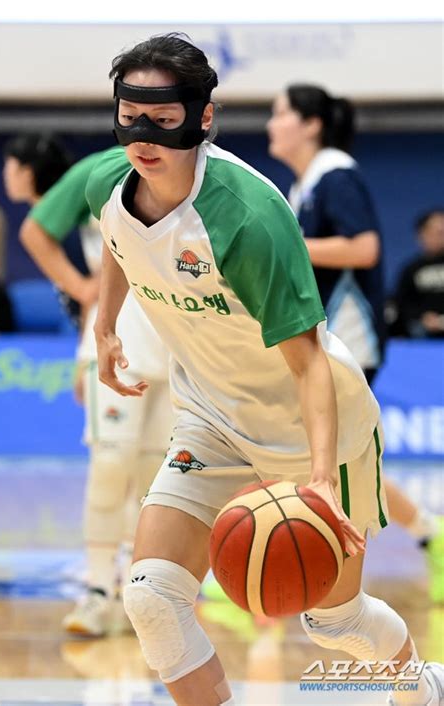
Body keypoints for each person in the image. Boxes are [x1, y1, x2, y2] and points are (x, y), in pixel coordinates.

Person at [86, 33, 442, 706]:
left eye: (163, 120)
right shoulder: (112, 180)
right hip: (210, 417)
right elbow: (118, 238)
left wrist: (320, 478)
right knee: (152, 598)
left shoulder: (248, 216)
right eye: (131, 117)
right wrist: (106, 327)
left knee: (335, 623)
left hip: (310, 428)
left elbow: (309, 366)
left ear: (203, 118)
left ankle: (421, 690)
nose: (144, 136)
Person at [266, 84, 443, 589]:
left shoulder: (336, 175)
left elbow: (364, 248)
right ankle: (430, 532)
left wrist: (284, 245)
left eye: (281, 113)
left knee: (325, 456)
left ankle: (286, 566)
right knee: (329, 454)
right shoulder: (305, 185)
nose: (271, 124)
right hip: (318, 336)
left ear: (312, 125)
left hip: (348, 338)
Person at [4, 136, 173, 636]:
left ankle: (144, 592)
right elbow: (36, 231)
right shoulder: (105, 169)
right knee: (110, 466)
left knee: (158, 482)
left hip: (179, 351)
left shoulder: (205, 177)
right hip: (119, 345)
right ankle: (98, 591)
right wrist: (82, 295)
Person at [390, 209, 444, 338]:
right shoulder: (412, 269)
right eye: (437, 232)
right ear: (421, 234)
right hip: (422, 336)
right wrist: (422, 317)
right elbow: (401, 304)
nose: (441, 237)